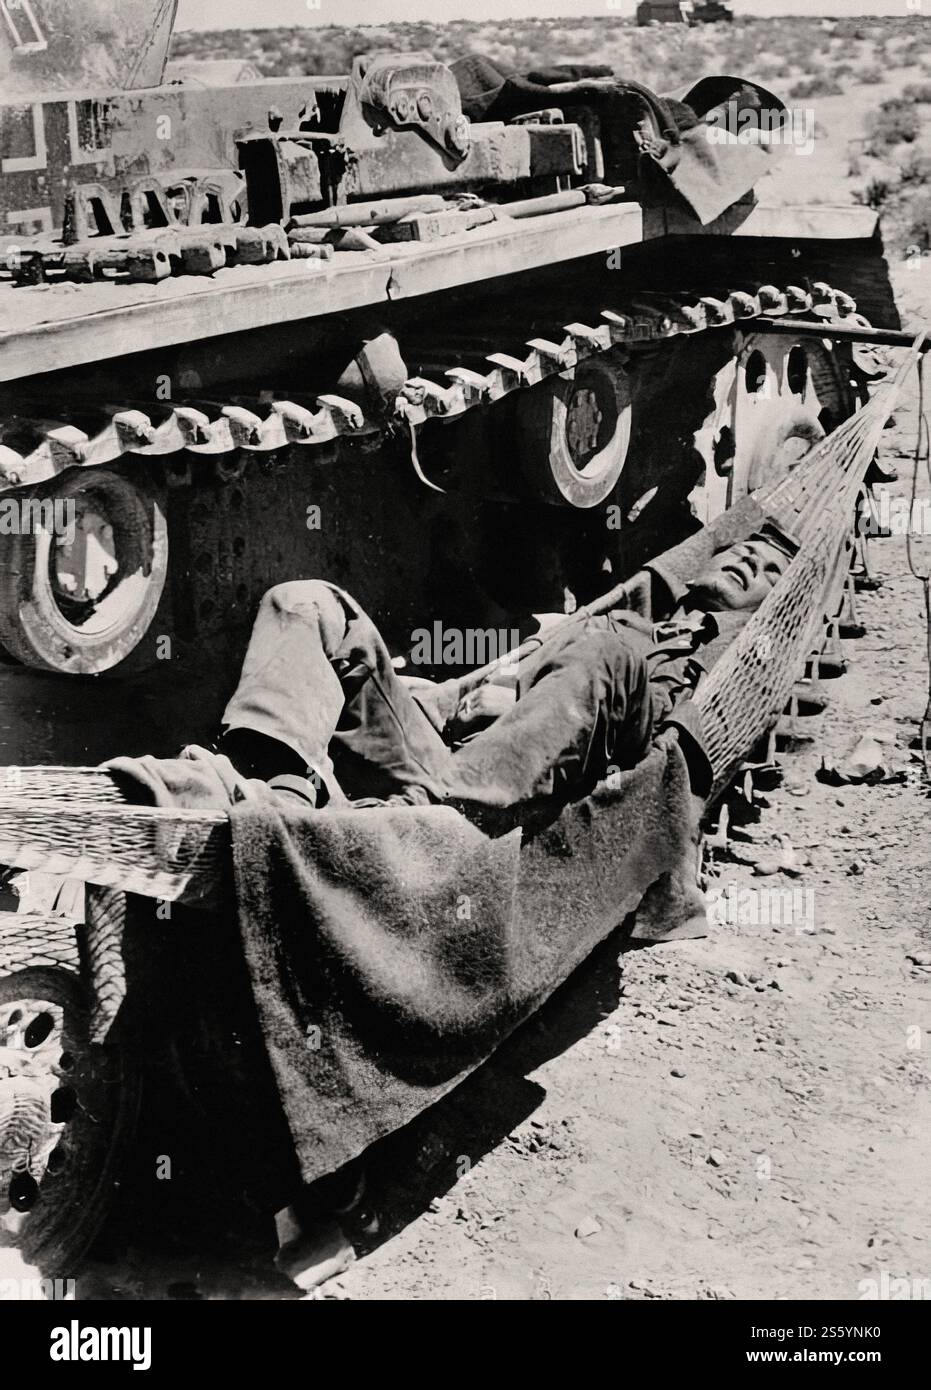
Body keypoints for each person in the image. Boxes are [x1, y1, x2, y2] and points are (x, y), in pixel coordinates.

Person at [216, 524, 797, 821]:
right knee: (310, 602)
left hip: (501, 800)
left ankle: (422, 822)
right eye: (743, 550)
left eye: (770, 571)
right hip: (445, 757)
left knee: (607, 657)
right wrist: (441, 697)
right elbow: (478, 680)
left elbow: (669, 753)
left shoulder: (712, 667)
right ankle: (277, 792)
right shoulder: (608, 619)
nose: (750, 560)